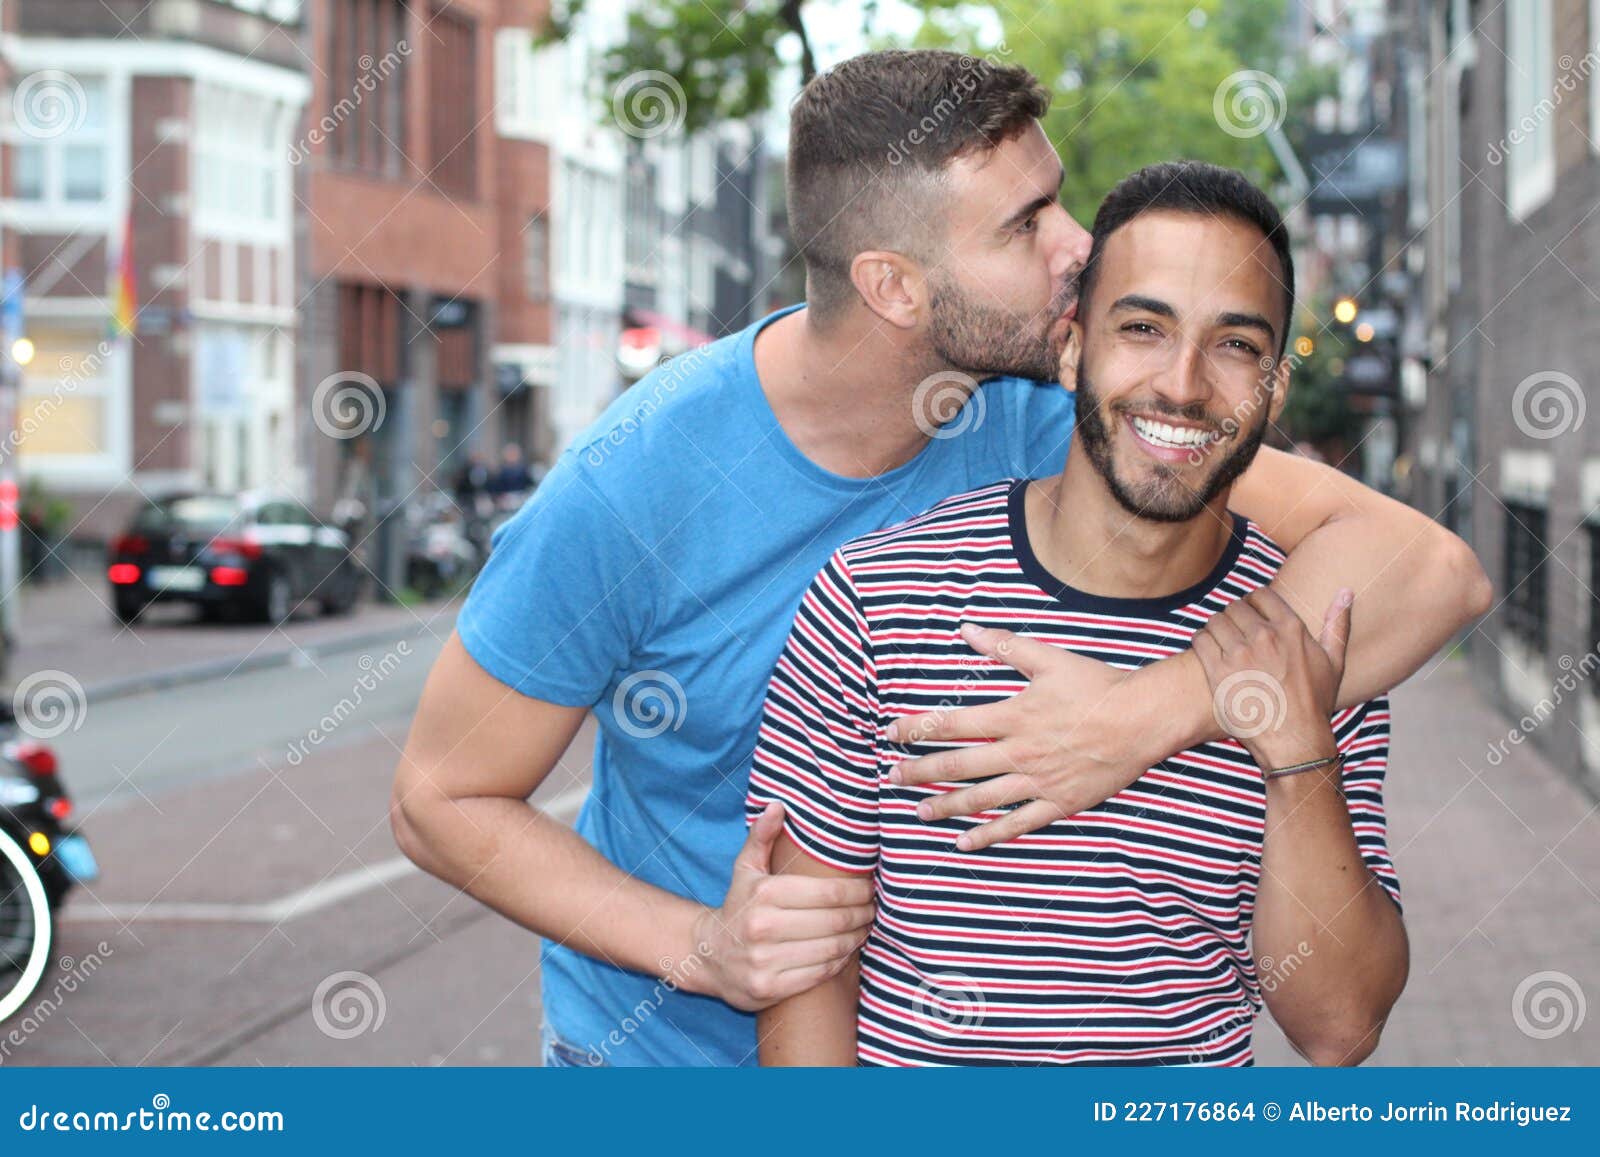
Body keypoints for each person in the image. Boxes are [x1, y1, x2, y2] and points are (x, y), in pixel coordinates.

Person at [391, 52, 1487, 1068]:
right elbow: (440, 795)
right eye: (1026, 225)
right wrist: (702, 946)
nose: (1078, 247)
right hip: (656, 1059)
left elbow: (1426, 568)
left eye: (1059, 198)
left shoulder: (1032, 404)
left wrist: (1137, 717)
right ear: (896, 287)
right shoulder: (635, 485)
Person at [749, 162, 1410, 1067]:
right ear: (1070, 349)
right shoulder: (876, 597)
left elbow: (1339, 1029)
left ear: (1274, 391)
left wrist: (1297, 753)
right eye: (1142, 328)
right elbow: (804, 972)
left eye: (1235, 345)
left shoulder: (1302, 632)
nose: (1182, 384)